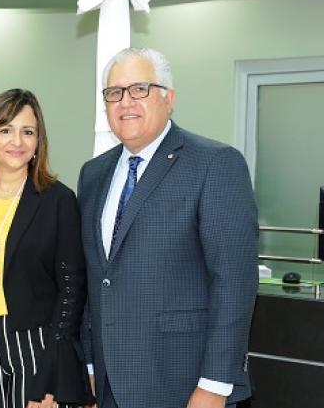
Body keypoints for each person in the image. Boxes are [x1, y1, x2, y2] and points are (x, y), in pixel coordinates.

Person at [77, 47, 259, 408]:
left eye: (139, 89)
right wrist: (90, 361)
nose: (125, 102)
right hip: (110, 383)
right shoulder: (93, 174)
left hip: (185, 384)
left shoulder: (215, 164)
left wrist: (215, 384)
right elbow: (96, 277)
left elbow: (234, 282)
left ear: (168, 98)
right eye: (114, 93)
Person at [0, 89, 94, 408]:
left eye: (28, 132)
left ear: (39, 141)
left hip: (34, 345)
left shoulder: (58, 200)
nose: (17, 142)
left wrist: (56, 372)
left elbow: (71, 291)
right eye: (5, 130)